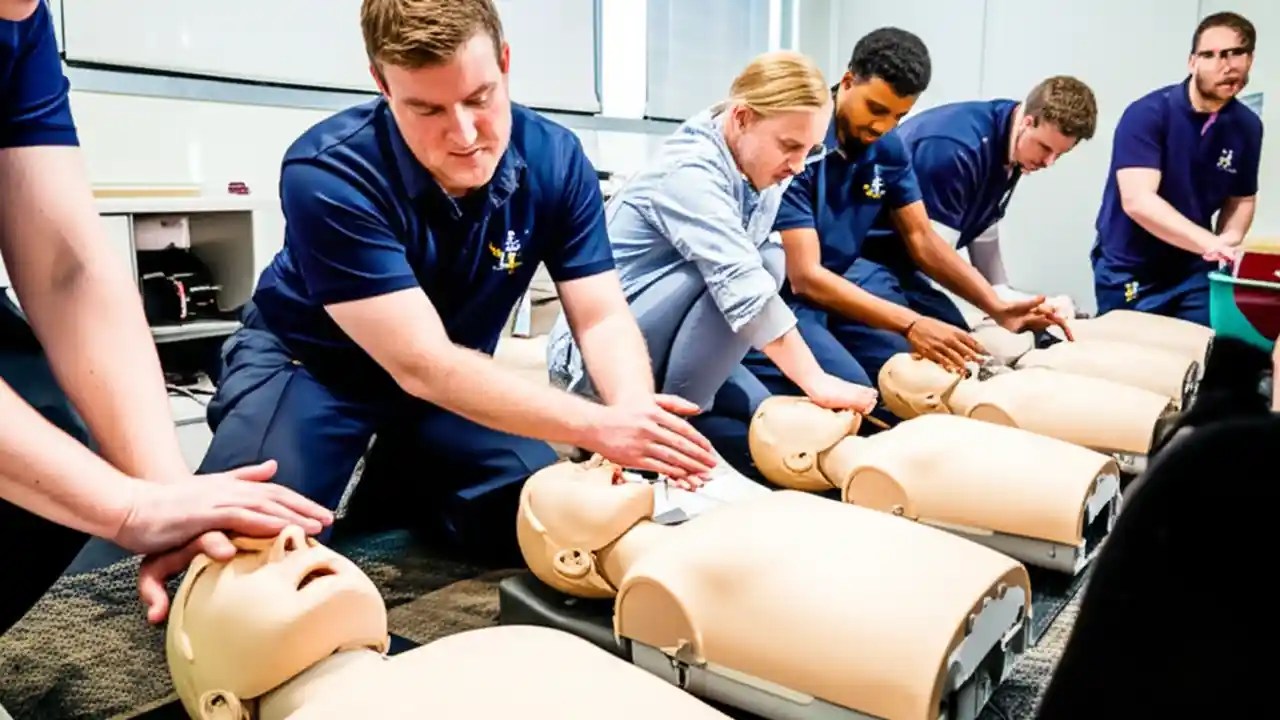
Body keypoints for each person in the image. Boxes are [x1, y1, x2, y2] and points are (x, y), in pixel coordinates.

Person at [196, 0, 718, 564]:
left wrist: (634, 414)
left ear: (505, 62)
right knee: (248, 549)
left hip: (450, 385)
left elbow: (600, 315)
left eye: (479, 98)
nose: (464, 133)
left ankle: (397, 496)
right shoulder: (329, 173)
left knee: (548, 518)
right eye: (427, 109)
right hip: (312, 368)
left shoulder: (555, 160)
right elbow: (422, 364)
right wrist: (597, 427)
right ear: (382, 85)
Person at [0, 0, 335, 634]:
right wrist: (125, 509)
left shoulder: (21, 24)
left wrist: (167, 491)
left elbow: (65, 272)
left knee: (60, 440)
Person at [546, 51, 878, 473]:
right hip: (595, 362)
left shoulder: (756, 160)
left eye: (809, 150)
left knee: (764, 411)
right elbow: (740, 282)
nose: (798, 166)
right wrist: (817, 381)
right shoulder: (688, 172)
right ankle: (661, 439)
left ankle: (685, 417)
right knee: (758, 267)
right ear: (742, 118)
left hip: (664, 330)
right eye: (790, 147)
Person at [742, 28, 1067, 410]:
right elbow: (805, 278)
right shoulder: (802, 149)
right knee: (859, 395)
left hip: (839, 282)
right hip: (787, 297)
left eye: (899, 115)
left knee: (940, 363)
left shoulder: (887, 147)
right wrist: (911, 323)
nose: (883, 126)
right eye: (875, 109)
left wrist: (996, 306)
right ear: (848, 81)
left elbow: (922, 238)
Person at [866, 76, 1098, 332]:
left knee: (961, 334)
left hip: (902, 268)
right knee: (929, 343)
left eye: (1060, 154)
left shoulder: (1011, 141)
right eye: (1045, 148)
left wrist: (1013, 297)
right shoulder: (955, 148)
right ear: (1027, 122)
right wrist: (997, 305)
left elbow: (984, 225)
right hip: (866, 260)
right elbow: (933, 254)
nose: (1049, 162)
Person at [1091, 11, 1262, 326]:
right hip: (1132, 266)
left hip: (1193, 270)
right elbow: (1139, 201)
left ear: (1249, 59)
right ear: (1192, 62)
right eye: (1210, 55)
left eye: (1235, 53)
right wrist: (1209, 242)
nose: (1225, 66)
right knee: (1131, 350)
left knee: (1206, 345)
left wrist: (1229, 239)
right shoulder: (1148, 114)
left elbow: (1242, 198)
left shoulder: (1247, 126)